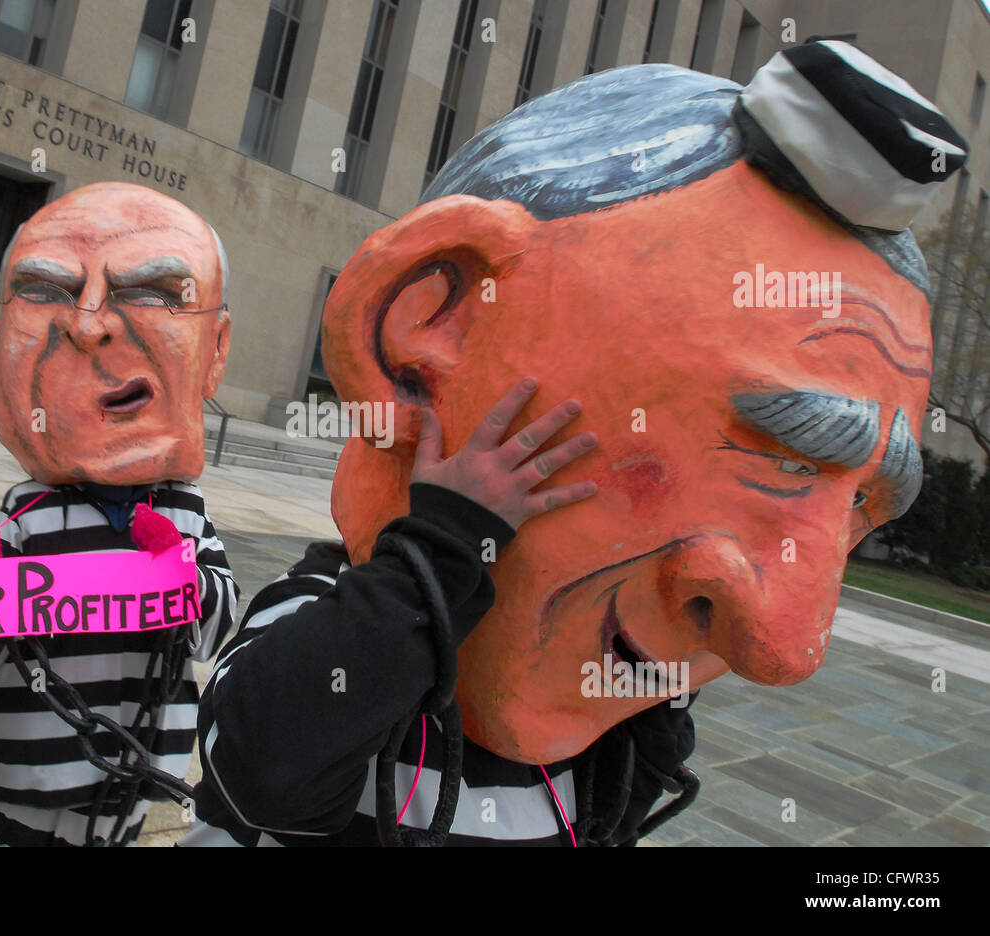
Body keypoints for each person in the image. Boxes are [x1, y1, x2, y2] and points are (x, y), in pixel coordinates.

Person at [183, 42, 966, 846]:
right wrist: (448, 543)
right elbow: (266, 773)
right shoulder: (321, 616)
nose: (786, 649)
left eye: (863, 508)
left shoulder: (589, 743)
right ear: (421, 338)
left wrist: (652, 719)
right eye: (784, 459)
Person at [0, 182, 239, 846]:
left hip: (128, 776)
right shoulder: (25, 514)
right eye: (46, 291)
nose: (87, 323)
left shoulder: (183, 515)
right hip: (21, 777)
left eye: (154, 294)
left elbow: (213, 629)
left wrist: (176, 570)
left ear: (216, 351)